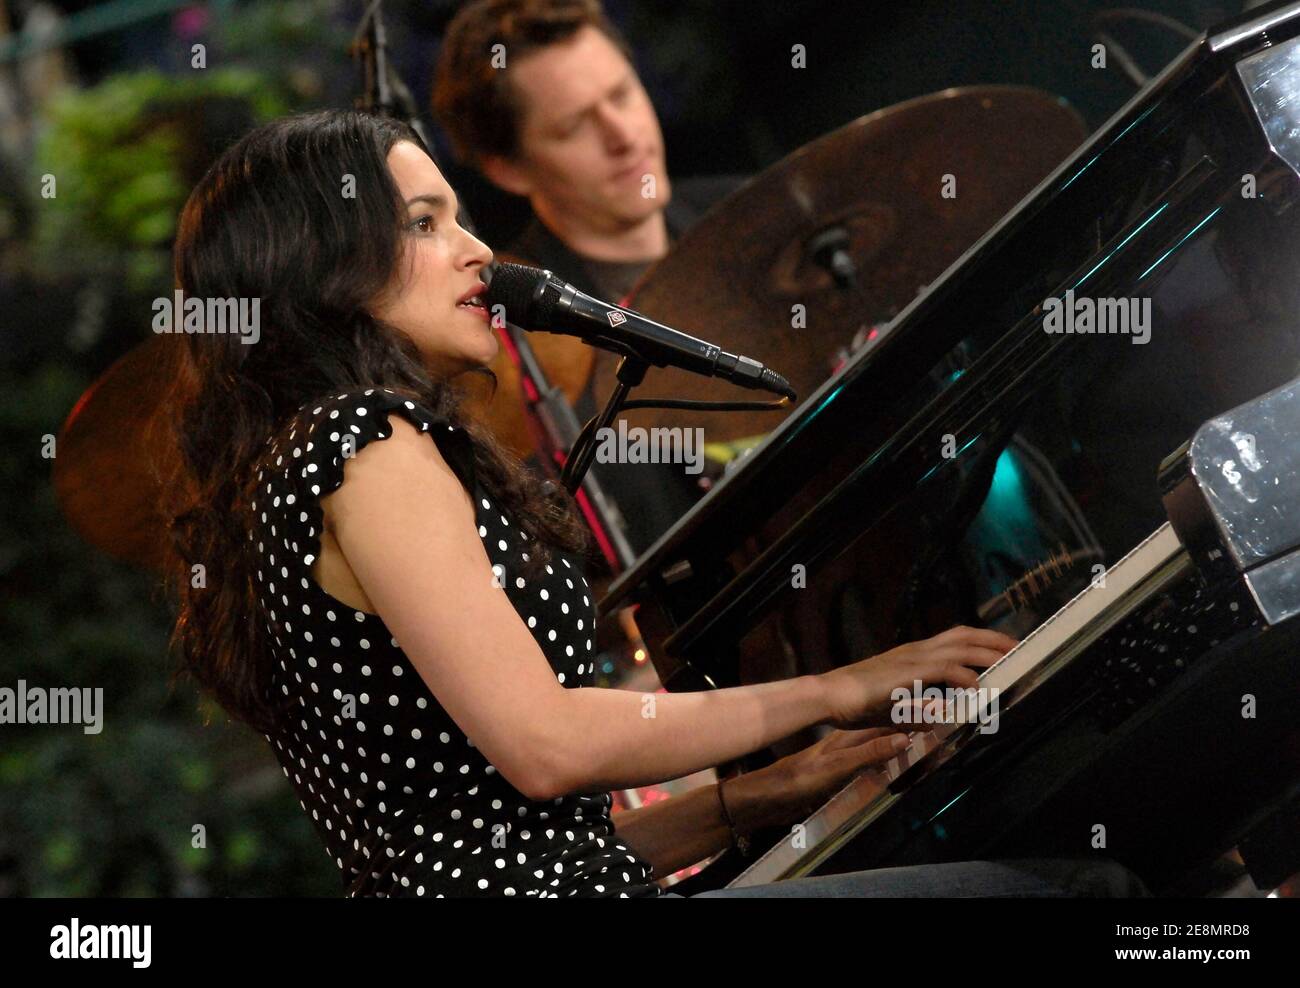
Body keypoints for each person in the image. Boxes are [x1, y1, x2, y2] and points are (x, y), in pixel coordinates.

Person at [162, 108, 1146, 898]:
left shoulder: (290, 475)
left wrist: (757, 793)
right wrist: (845, 683)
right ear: (323, 267)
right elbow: (548, 747)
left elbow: (499, 842)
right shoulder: (365, 441)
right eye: (424, 224)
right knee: (1079, 884)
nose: (476, 253)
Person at [433, 0, 743, 552]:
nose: (623, 135)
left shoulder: (769, 217)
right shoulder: (518, 354)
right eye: (577, 125)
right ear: (507, 168)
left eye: (623, 94)